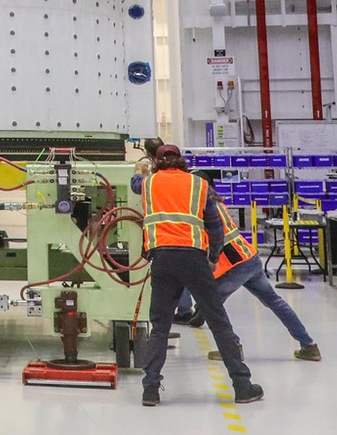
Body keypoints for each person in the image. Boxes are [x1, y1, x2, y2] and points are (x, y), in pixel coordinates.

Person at [131, 143, 264, 407]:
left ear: (157, 162)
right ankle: (242, 385)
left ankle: (150, 389)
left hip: (162, 260)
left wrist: (139, 168)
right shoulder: (198, 185)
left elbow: (135, 182)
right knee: (218, 321)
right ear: (181, 160)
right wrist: (214, 258)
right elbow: (215, 227)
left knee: (160, 326)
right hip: (194, 259)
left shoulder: (148, 183)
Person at [207, 195, 320, 361]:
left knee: (211, 304)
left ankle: (232, 347)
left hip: (234, 264)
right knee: (274, 301)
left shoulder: (202, 207)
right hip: (250, 257)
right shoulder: (217, 203)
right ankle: (309, 345)